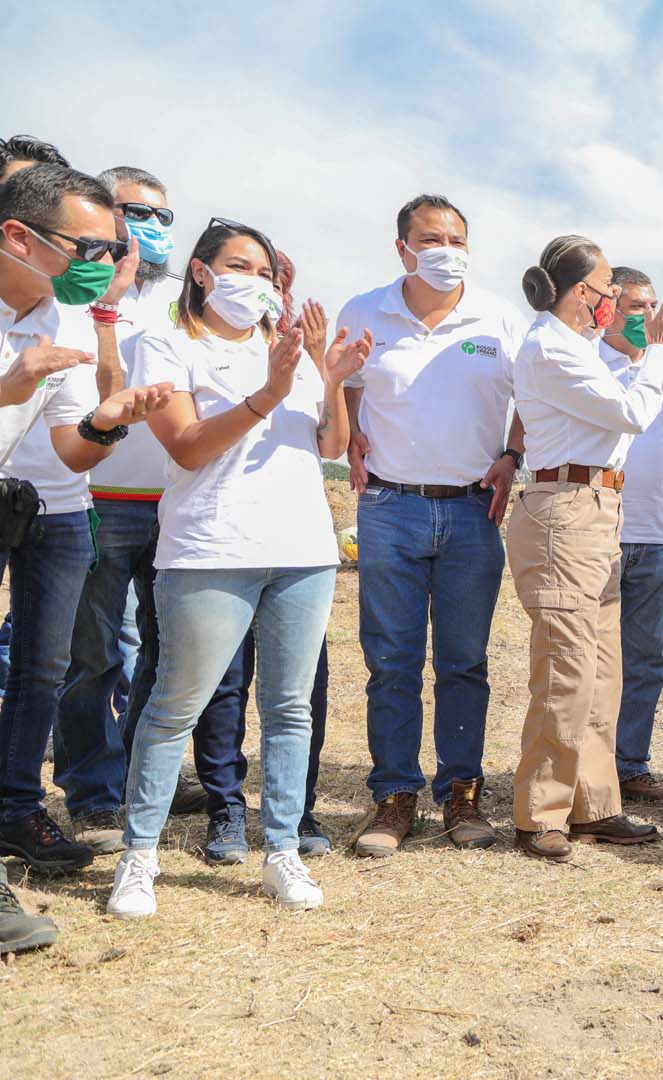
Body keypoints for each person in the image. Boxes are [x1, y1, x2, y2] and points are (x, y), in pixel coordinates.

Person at [106, 219, 364, 918]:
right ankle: (139, 857)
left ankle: (281, 850)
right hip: (211, 549)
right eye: (241, 267)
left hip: (302, 551)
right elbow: (188, 448)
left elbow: (330, 446)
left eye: (267, 273)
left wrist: (331, 378)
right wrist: (267, 394)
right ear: (201, 271)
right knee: (174, 707)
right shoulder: (169, 342)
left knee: (289, 710)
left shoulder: (288, 349)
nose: (257, 283)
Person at [335, 194, 526, 859]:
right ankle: (394, 795)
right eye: (429, 239)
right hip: (389, 507)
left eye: (456, 240)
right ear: (402, 249)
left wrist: (513, 456)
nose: (445, 251)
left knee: (463, 661)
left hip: (475, 509)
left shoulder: (500, 317)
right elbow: (346, 383)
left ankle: (462, 793)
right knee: (391, 660)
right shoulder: (365, 311)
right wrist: (350, 433)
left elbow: (532, 397)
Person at [0, 163, 173, 877]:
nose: (103, 263)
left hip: (53, 508)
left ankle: (15, 811)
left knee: (44, 669)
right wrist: (8, 386)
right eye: (90, 247)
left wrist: (107, 422)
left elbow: (72, 451)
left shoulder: (62, 318)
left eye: (112, 249)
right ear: (19, 236)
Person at [507, 234, 663, 862]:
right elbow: (632, 413)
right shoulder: (550, 349)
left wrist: (649, 356)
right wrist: (659, 350)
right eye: (610, 287)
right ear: (582, 291)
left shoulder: (575, 348)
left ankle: (593, 803)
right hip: (564, 512)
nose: (616, 298)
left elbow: (621, 419)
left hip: (594, 508)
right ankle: (541, 812)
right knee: (566, 668)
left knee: (601, 669)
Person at [600, 266, 663, 803]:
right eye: (637, 306)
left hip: (654, 536)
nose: (649, 316)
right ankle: (589, 767)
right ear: (608, 307)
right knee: (593, 658)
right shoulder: (589, 361)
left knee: (645, 659)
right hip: (600, 533)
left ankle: (629, 764)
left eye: (653, 306)